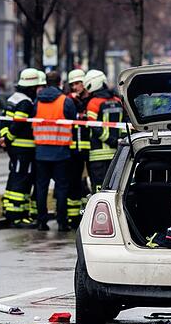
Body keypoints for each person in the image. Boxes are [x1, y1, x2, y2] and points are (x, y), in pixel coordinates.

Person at [32, 70, 78, 231]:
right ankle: (61, 222)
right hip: (61, 153)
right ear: (60, 82)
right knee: (61, 188)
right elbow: (74, 120)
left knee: (41, 188)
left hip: (41, 152)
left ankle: (41, 221)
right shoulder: (65, 101)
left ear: (45, 82)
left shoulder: (37, 101)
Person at [0, 68, 43, 227]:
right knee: (21, 180)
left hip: (15, 149)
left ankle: (10, 209)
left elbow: (4, 121)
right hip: (23, 149)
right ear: (31, 87)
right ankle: (17, 216)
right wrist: (9, 138)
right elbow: (18, 124)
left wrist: (4, 137)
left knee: (15, 177)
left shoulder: (13, 99)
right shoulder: (25, 103)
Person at [83, 69, 125, 192]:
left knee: (99, 187)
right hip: (117, 153)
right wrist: (120, 140)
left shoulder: (93, 103)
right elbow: (124, 123)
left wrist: (111, 140)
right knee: (115, 187)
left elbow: (95, 127)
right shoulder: (117, 101)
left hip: (98, 154)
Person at [64, 68, 89, 229]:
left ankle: (87, 215)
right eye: (72, 84)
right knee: (74, 183)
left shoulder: (91, 100)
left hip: (91, 149)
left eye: (78, 83)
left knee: (89, 184)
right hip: (74, 150)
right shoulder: (69, 101)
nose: (75, 87)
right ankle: (74, 218)